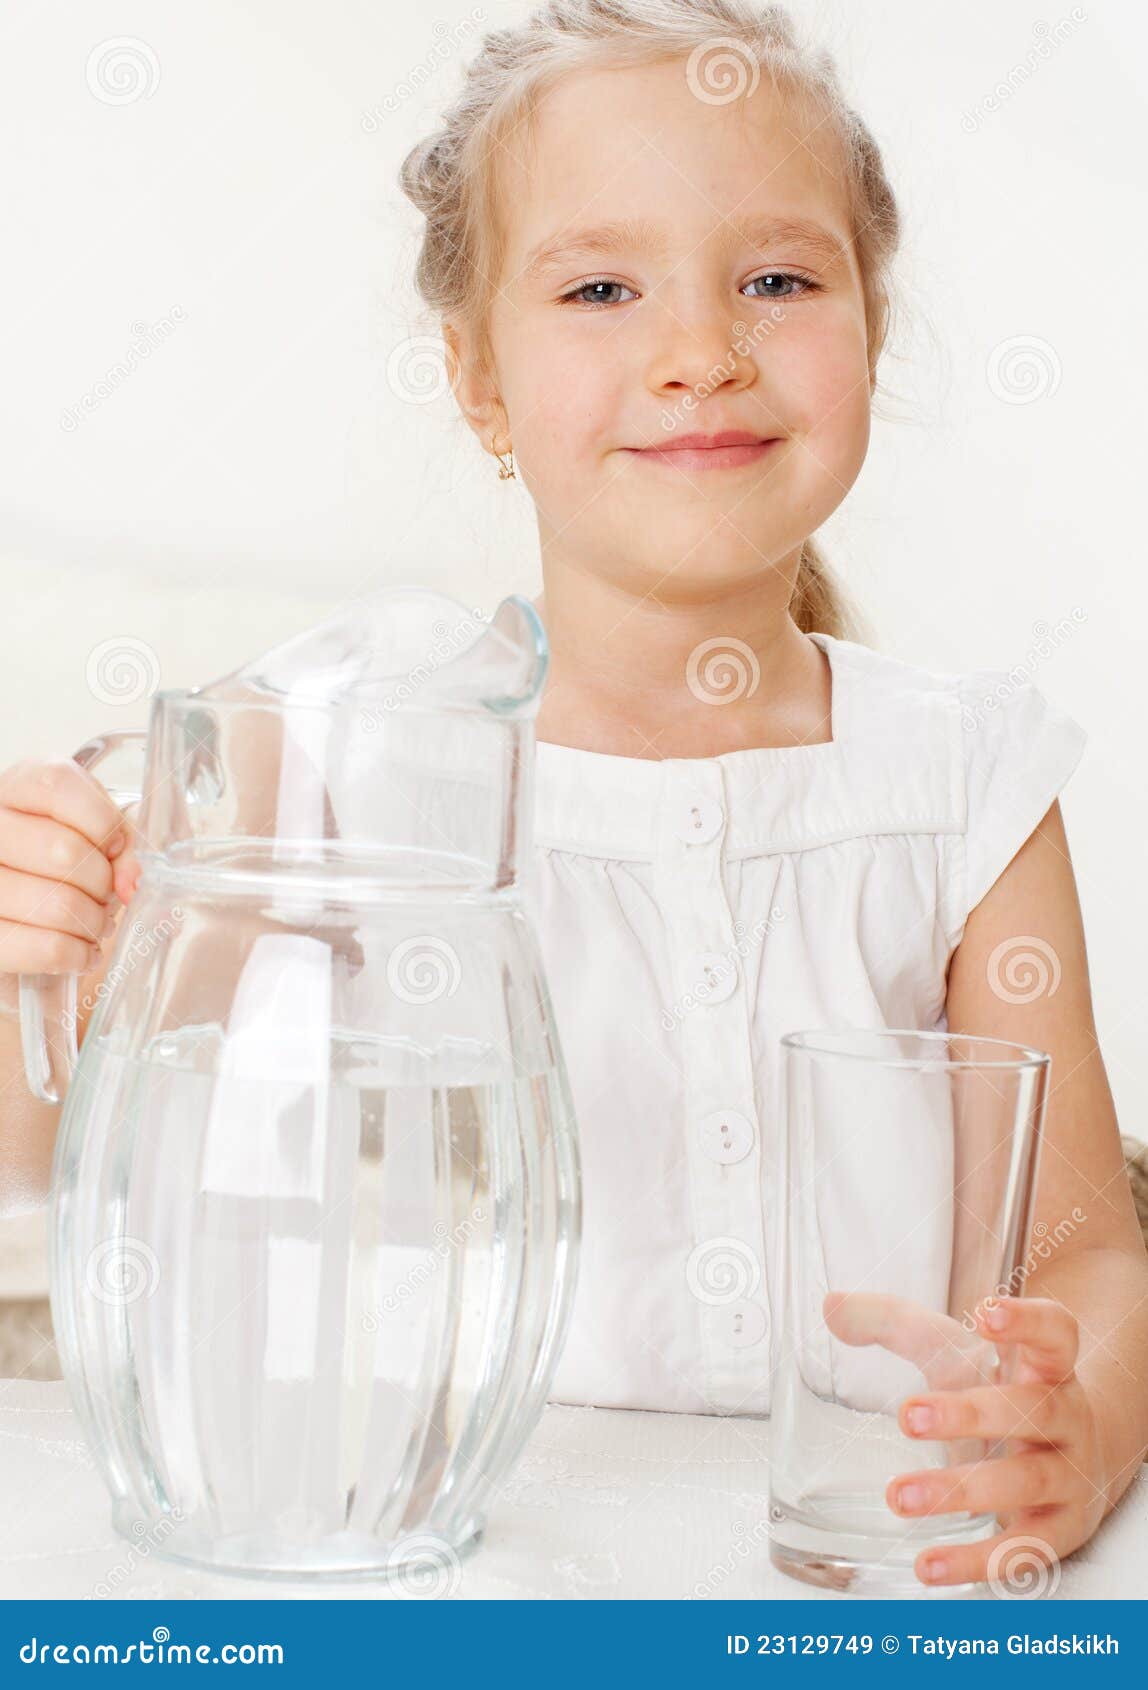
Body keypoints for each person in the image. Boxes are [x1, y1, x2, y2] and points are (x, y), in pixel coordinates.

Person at [1, 0, 1145, 1590]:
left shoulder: (968, 780)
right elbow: (53, 1140)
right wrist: (36, 957)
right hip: (441, 1570)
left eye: (780, 280)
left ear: (873, 327)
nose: (700, 352)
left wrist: (1078, 1411)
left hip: (861, 1569)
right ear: (480, 381)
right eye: (602, 287)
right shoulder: (350, 753)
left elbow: (1081, 1241)